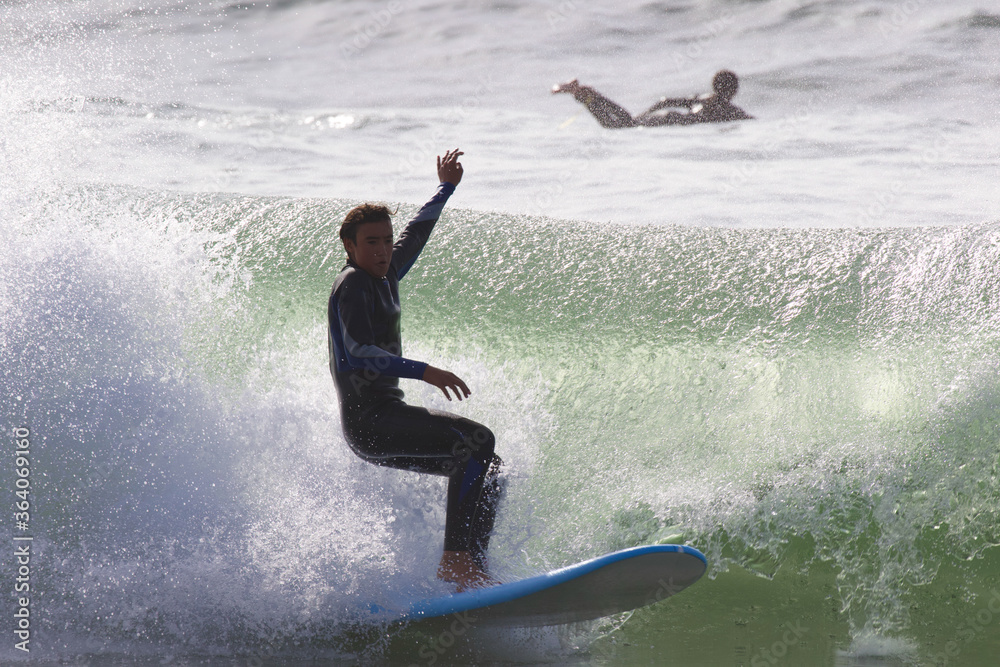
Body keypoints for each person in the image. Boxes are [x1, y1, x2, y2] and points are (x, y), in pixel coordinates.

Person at [327, 149, 502, 591]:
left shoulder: (385, 274)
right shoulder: (352, 284)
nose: (384, 249)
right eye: (372, 242)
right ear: (350, 246)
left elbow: (416, 235)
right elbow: (357, 352)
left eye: (386, 241)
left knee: (487, 465)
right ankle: (457, 563)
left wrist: (446, 187)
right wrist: (425, 371)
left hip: (385, 421)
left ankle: (471, 573)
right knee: (476, 442)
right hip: (370, 423)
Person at [552, 69, 753, 128]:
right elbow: (742, 117)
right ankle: (586, 94)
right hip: (671, 120)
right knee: (619, 125)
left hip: (667, 116)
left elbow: (667, 102)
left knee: (625, 122)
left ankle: (584, 94)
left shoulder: (704, 98)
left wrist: (648, 112)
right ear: (734, 90)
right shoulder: (727, 109)